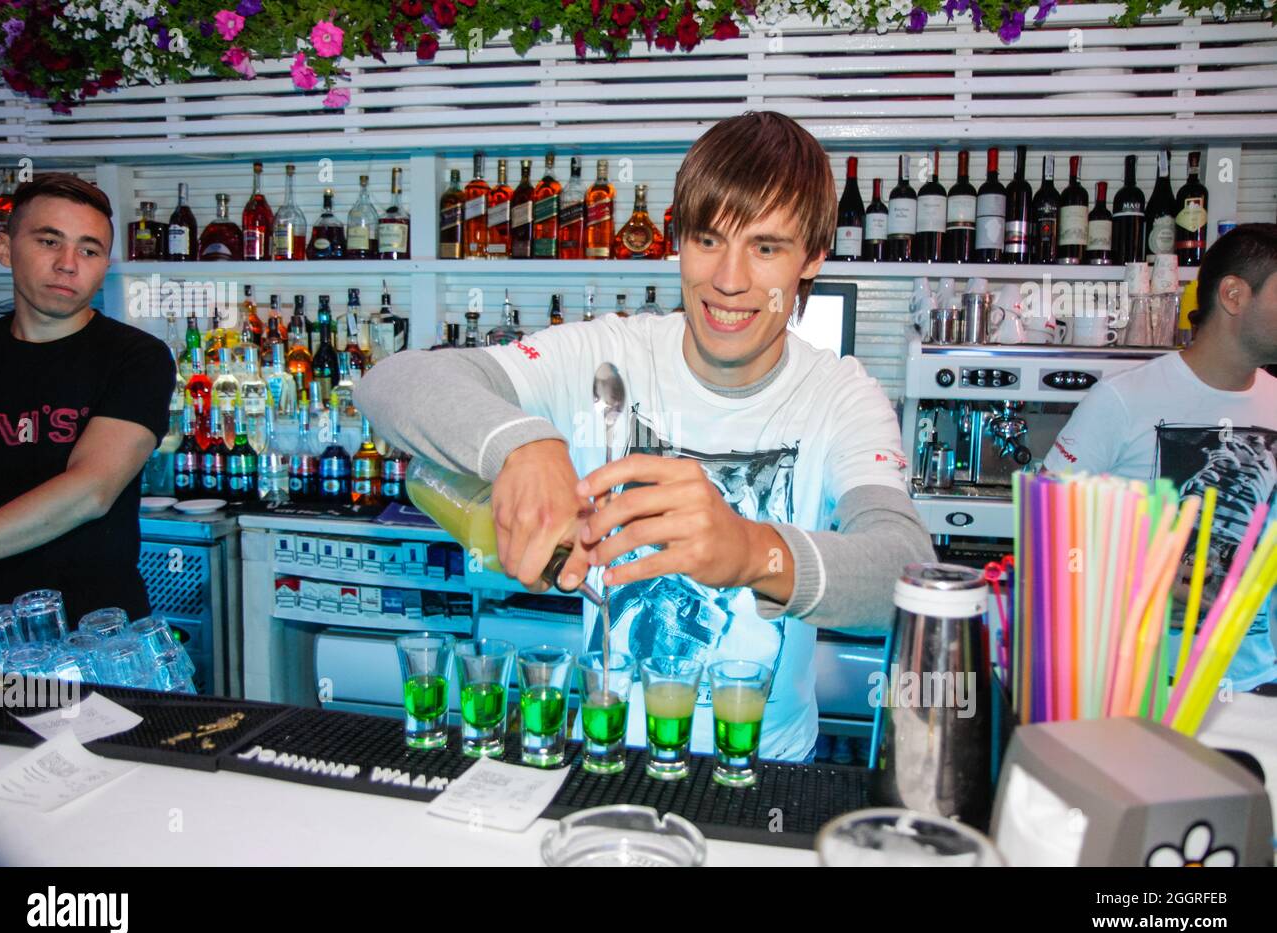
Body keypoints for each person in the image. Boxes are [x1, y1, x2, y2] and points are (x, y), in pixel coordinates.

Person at [357, 111, 934, 763]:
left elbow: (905, 572)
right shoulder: (607, 355)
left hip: (765, 775)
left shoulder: (840, 395)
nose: (730, 279)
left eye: (766, 247)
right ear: (678, 241)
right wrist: (520, 444)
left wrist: (752, 552)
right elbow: (393, 381)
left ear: (813, 257)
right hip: (601, 762)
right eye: (709, 239)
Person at [1044, 222, 1277, 691]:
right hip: (1140, 683)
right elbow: (1043, 530)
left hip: (1258, 683)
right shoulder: (1123, 399)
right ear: (1234, 295)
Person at [0, 173, 175, 624]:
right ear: (6, 249)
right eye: (49, 242)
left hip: (92, 638)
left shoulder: (136, 357)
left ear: (105, 265)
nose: (69, 264)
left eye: (89, 250)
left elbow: (90, 491)